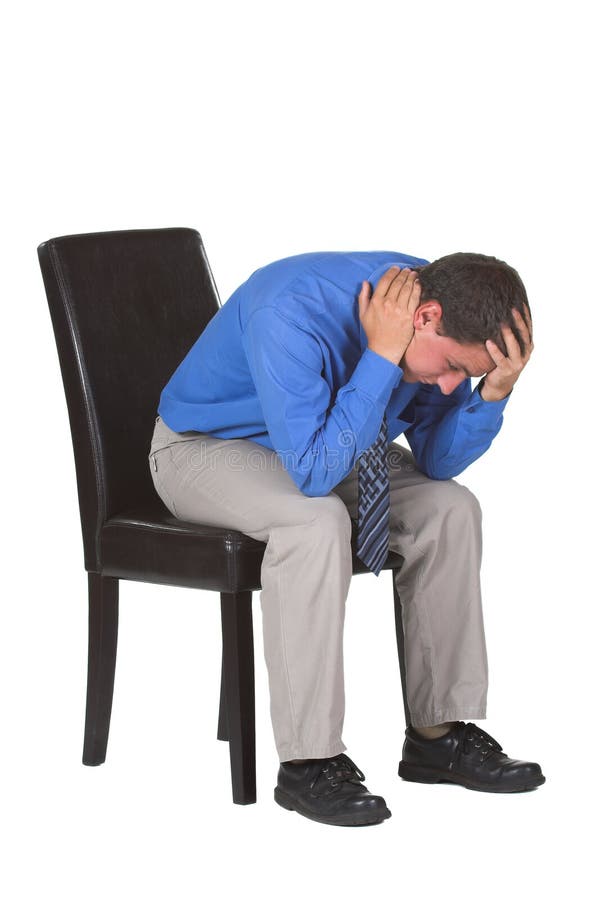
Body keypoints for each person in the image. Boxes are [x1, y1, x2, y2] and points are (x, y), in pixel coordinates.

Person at [148, 249, 545, 828]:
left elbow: (437, 462)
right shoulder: (290, 310)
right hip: (206, 448)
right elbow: (313, 475)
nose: (453, 382)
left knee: (450, 508)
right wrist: (382, 355)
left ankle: (439, 737)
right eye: (456, 366)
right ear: (425, 316)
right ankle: (309, 763)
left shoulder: (441, 309)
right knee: (315, 522)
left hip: (327, 442)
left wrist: (494, 393)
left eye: (470, 375)